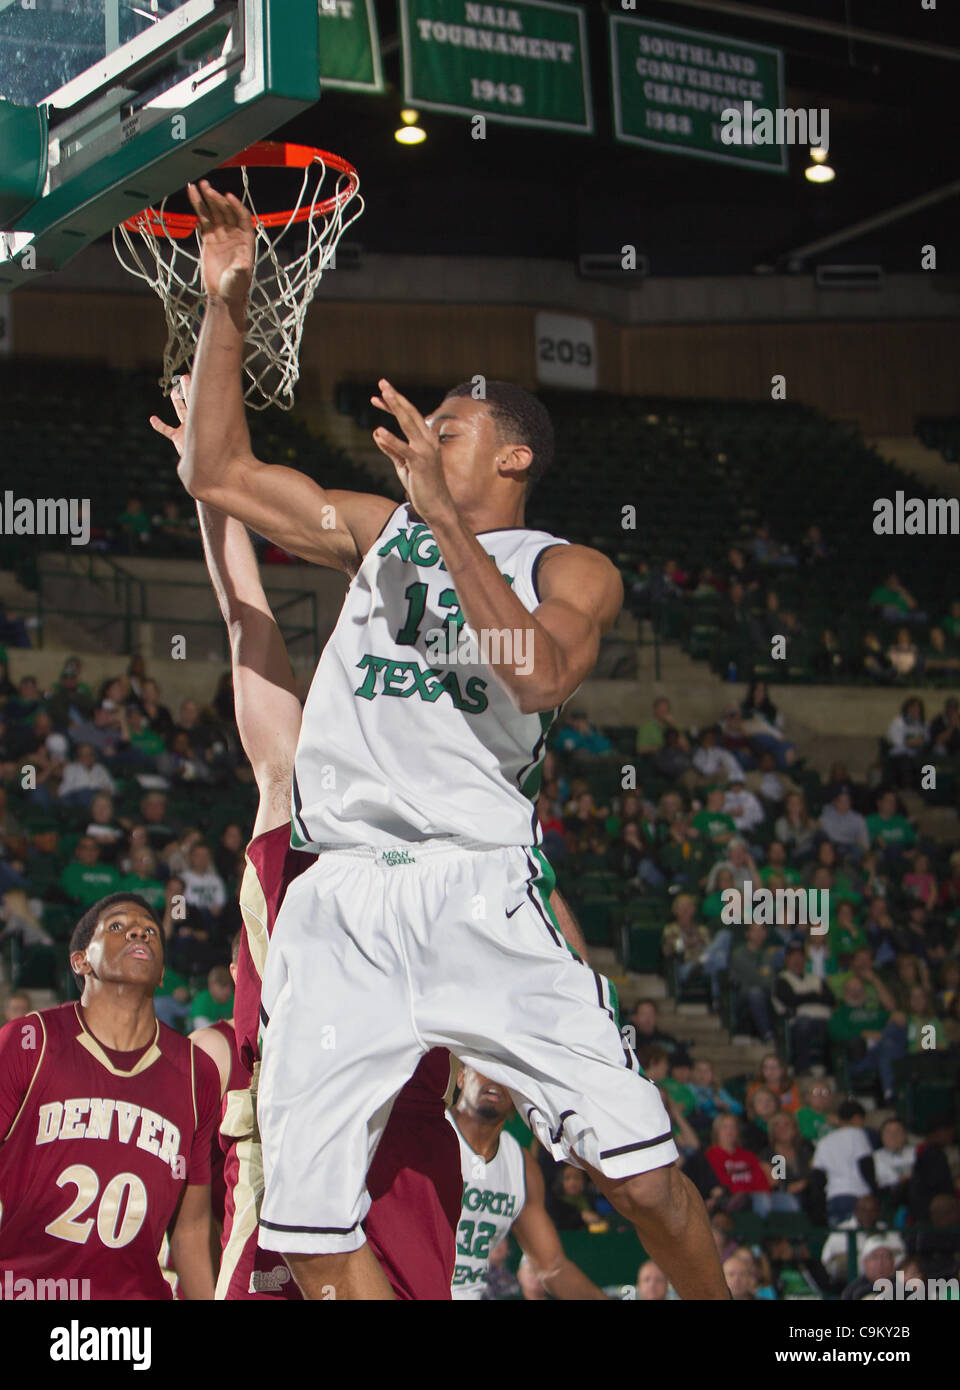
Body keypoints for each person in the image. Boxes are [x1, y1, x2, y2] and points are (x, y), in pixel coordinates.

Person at [174, 182, 727, 1302]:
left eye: (452, 428)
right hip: (337, 903)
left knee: (645, 1183)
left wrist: (438, 521)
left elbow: (536, 670)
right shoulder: (376, 533)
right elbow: (215, 474)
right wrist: (226, 308)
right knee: (309, 1228)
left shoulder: (568, 565)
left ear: (515, 459)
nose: (424, 437)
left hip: (475, 887)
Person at [0, 892, 219, 1297]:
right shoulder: (30, 1042)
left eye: (151, 931)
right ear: (80, 961)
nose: (139, 930)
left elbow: (189, 1228)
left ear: (160, 975)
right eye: (117, 926)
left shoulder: (195, 1072)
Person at [448, 1066, 607, 1299]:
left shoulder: (521, 1166)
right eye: (485, 1068)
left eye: (507, 1074)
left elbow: (553, 1268)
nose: (495, 1079)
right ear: (461, 1077)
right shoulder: (427, 1137)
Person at [812, 1101, 874, 1223]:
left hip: (833, 1197)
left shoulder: (824, 1141)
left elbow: (818, 1178)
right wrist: (875, 1191)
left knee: (839, 1238)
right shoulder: (857, 1134)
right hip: (858, 1196)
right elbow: (866, 1166)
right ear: (856, 1118)